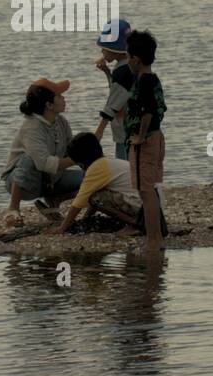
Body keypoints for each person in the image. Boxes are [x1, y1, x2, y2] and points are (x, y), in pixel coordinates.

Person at [1, 79, 84, 226]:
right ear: (49, 105)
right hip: (25, 183)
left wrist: (88, 158)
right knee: (28, 159)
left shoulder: (61, 121)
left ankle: (56, 200)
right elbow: (45, 163)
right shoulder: (31, 127)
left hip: (52, 180)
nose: (64, 99)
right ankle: (13, 208)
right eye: (59, 96)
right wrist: (78, 158)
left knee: (90, 178)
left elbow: (71, 149)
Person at [50, 133, 145, 235]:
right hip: (149, 205)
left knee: (95, 197)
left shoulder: (96, 168)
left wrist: (62, 228)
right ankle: (137, 222)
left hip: (141, 207)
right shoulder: (107, 162)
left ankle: (137, 225)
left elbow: (78, 203)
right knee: (96, 195)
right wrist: (85, 219)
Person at [124, 30, 167, 251]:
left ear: (136, 59)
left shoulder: (144, 82)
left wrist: (140, 136)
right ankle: (156, 236)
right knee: (152, 188)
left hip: (147, 141)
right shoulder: (151, 78)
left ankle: (153, 239)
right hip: (156, 138)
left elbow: (148, 112)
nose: (126, 60)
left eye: (127, 56)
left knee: (146, 191)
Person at [93, 18, 135, 158]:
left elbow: (112, 105)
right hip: (135, 131)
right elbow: (119, 92)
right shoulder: (131, 66)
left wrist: (99, 132)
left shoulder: (123, 72)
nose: (102, 51)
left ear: (114, 49)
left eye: (104, 48)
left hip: (126, 134)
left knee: (126, 170)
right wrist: (107, 72)